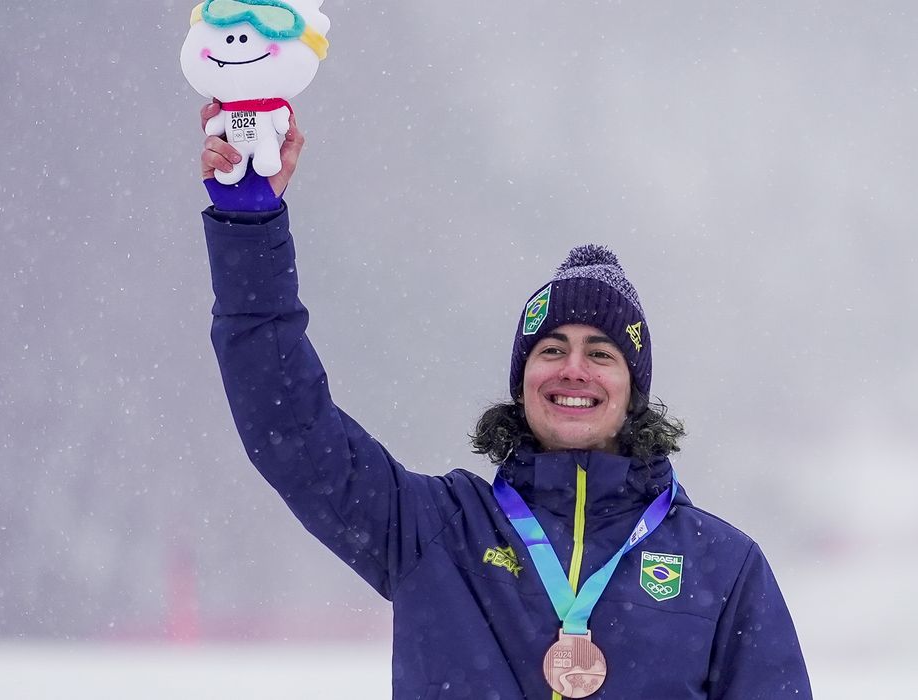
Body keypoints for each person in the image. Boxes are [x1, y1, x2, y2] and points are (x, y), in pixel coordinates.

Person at [198, 101, 812, 699]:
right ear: (521, 382)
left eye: (601, 354)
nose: (574, 370)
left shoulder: (724, 568)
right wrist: (251, 225)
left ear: (635, 391)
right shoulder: (434, 532)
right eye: (551, 350)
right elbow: (288, 423)